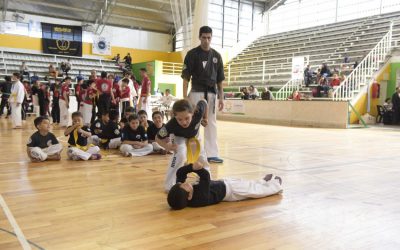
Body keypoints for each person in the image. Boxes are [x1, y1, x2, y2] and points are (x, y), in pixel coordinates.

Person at [182, 26, 225, 164]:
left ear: (211, 38)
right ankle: (193, 153)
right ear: (199, 37)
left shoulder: (217, 56)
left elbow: (220, 81)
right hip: (196, 92)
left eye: (209, 37)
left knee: (211, 123)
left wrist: (221, 97)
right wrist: (184, 97)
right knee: (194, 123)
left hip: (212, 93)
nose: (206, 40)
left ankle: (212, 153)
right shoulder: (192, 54)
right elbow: (185, 78)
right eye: (204, 37)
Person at [167, 161, 283, 210]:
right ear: (189, 196)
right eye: (184, 185)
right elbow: (206, 176)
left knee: (247, 183)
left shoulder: (185, 194)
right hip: (232, 192)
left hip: (223, 183)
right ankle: (275, 185)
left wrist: (191, 167)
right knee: (255, 191)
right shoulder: (199, 198)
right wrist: (199, 169)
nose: (185, 182)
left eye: (181, 183)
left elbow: (180, 173)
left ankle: (262, 181)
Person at [156, 99, 210, 191]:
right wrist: (167, 146)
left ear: (192, 113)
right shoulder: (171, 124)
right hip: (178, 137)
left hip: (194, 136)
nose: (184, 122)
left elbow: (204, 102)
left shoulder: (198, 112)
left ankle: (207, 181)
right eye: (179, 119)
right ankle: (170, 185)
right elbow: (157, 137)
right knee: (179, 155)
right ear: (174, 116)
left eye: (187, 118)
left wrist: (205, 118)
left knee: (202, 158)